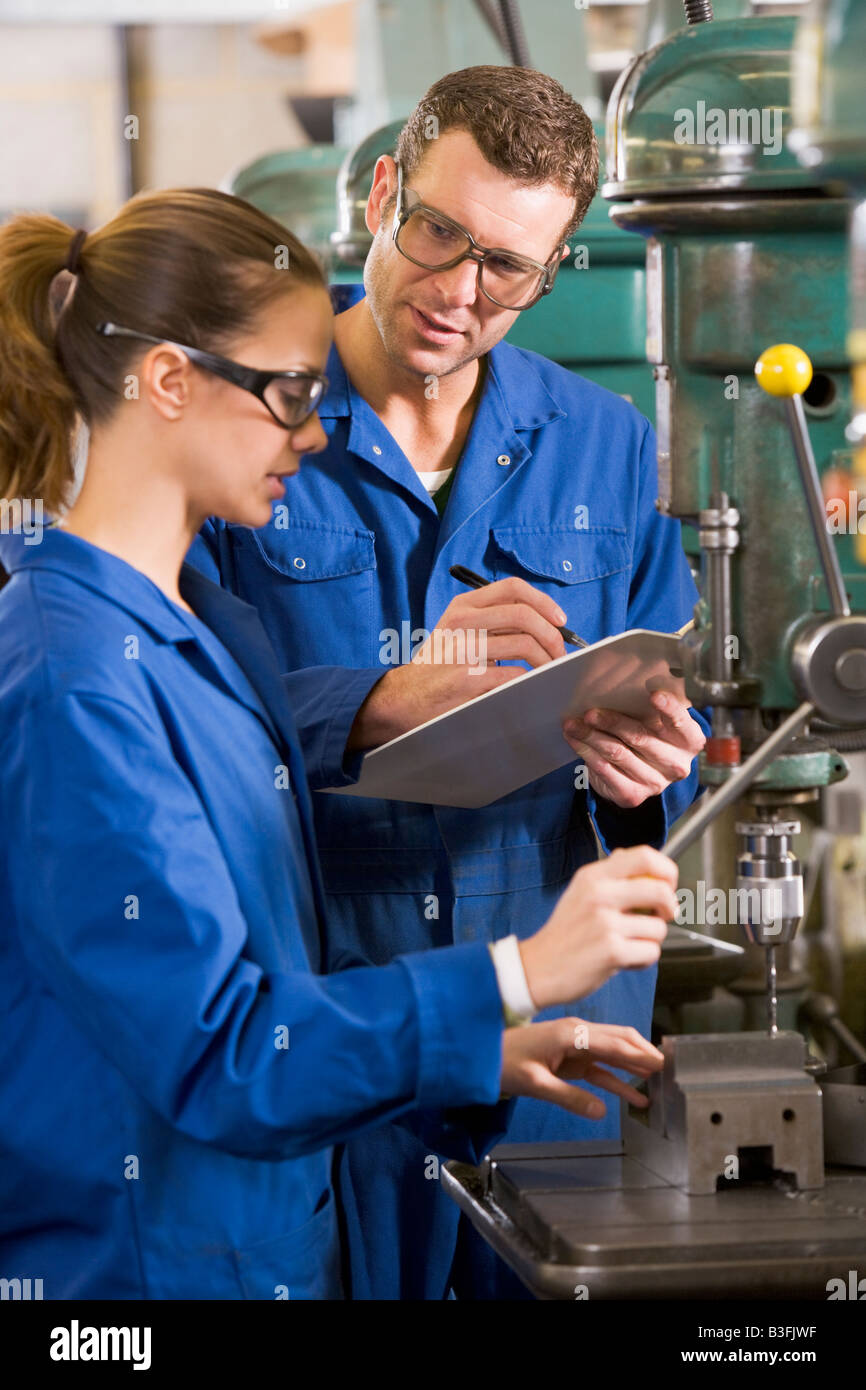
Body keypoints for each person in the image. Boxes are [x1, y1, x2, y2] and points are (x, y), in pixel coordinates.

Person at [0, 188, 679, 1300]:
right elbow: (225, 1051)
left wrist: (481, 1047)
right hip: (139, 1276)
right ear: (167, 380)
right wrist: (523, 972)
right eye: (286, 392)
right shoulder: (73, 678)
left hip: (261, 1238)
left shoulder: (199, 639)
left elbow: (269, 965)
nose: (313, 434)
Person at [190, 67, 709, 1300]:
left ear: (549, 271)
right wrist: (382, 694)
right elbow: (175, 708)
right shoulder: (247, 405)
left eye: (508, 270)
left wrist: (648, 764)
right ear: (381, 191)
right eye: (438, 235)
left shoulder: (604, 440)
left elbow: (662, 691)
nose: (458, 293)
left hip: (561, 1042)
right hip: (330, 1014)